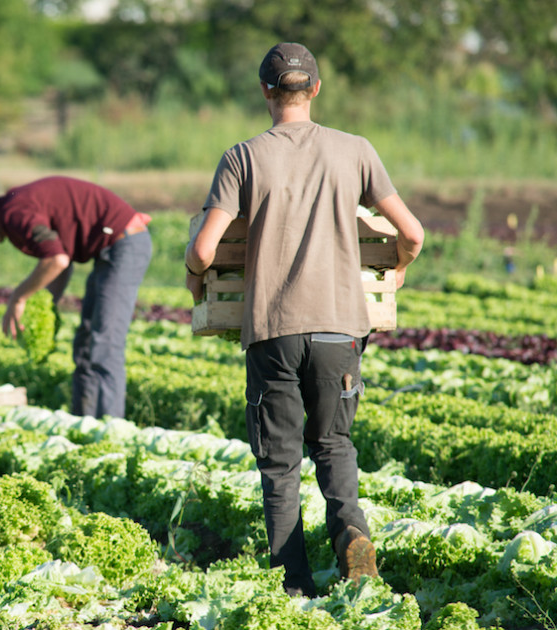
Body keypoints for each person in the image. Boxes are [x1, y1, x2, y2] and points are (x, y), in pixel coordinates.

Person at [185, 42, 424, 597]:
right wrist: (399, 270)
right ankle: (350, 535)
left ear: (266, 91)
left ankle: (293, 586)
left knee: (280, 465)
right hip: (341, 329)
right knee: (335, 445)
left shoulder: (243, 157)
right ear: (315, 89)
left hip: (274, 329)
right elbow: (411, 234)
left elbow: (203, 250)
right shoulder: (356, 149)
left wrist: (193, 277)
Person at [0, 176, 152, 419]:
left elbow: (56, 260)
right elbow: (60, 260)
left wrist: (18, 298)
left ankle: (111, 428)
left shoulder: (13, 214)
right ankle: (85, 423)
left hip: (125, 242)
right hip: (111, 247)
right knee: (86, 343)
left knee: (105, 343)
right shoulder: (13, 207)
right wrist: (46, 305)